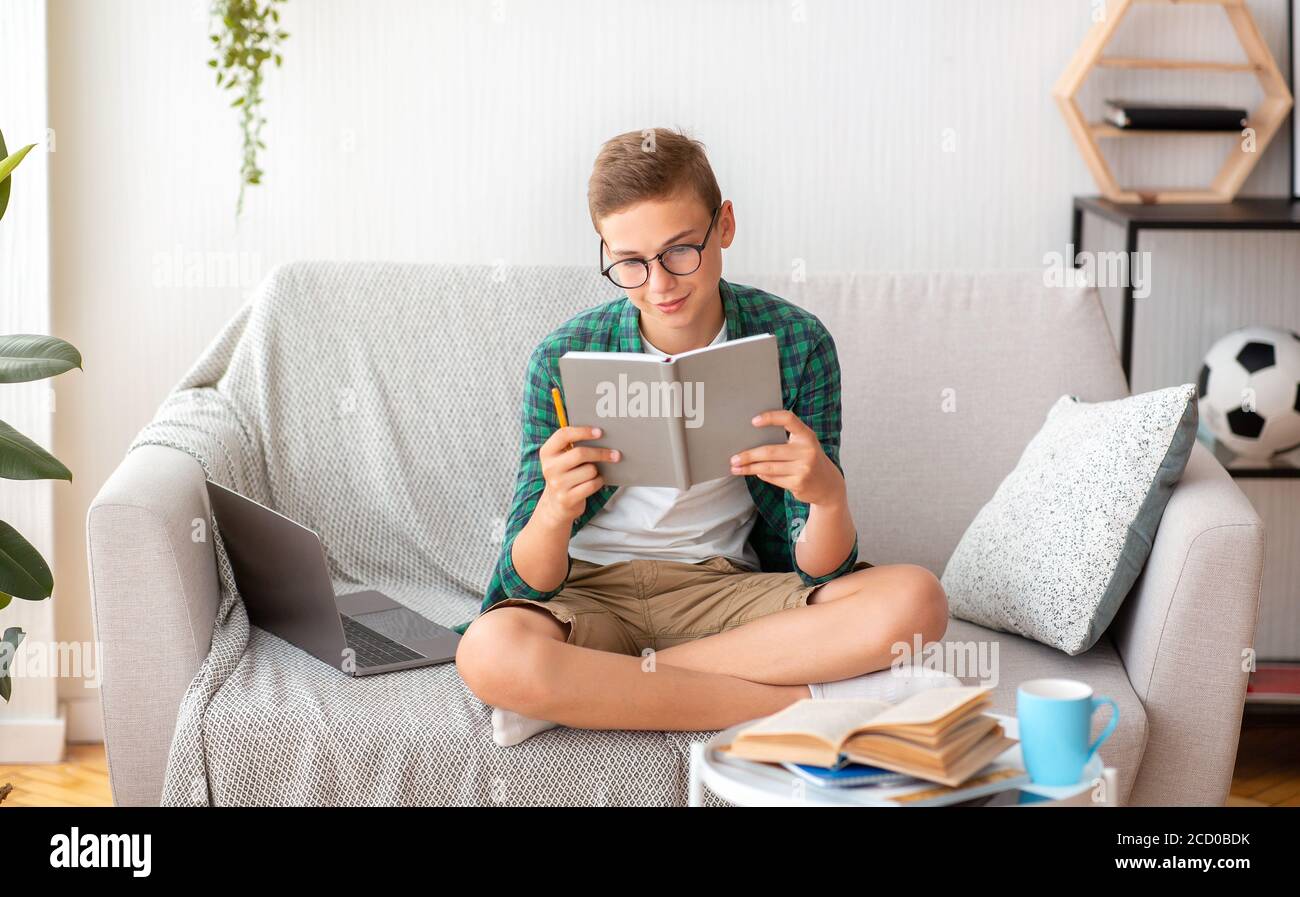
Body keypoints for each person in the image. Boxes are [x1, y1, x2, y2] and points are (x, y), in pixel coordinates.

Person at [456, 127, 953, 746]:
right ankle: (799, 705)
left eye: (681, 250)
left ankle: (592, 690)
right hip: (591, 596)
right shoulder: (562, 356)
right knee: (488, 653)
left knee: (916, 602)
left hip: (725, 594)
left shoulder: (797, 343)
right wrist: (555, 508)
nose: (659, 283)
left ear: (725, 226)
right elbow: (523, 581)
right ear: (606, 251)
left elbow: (822, 568)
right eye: (630, 262)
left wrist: (827, 497)